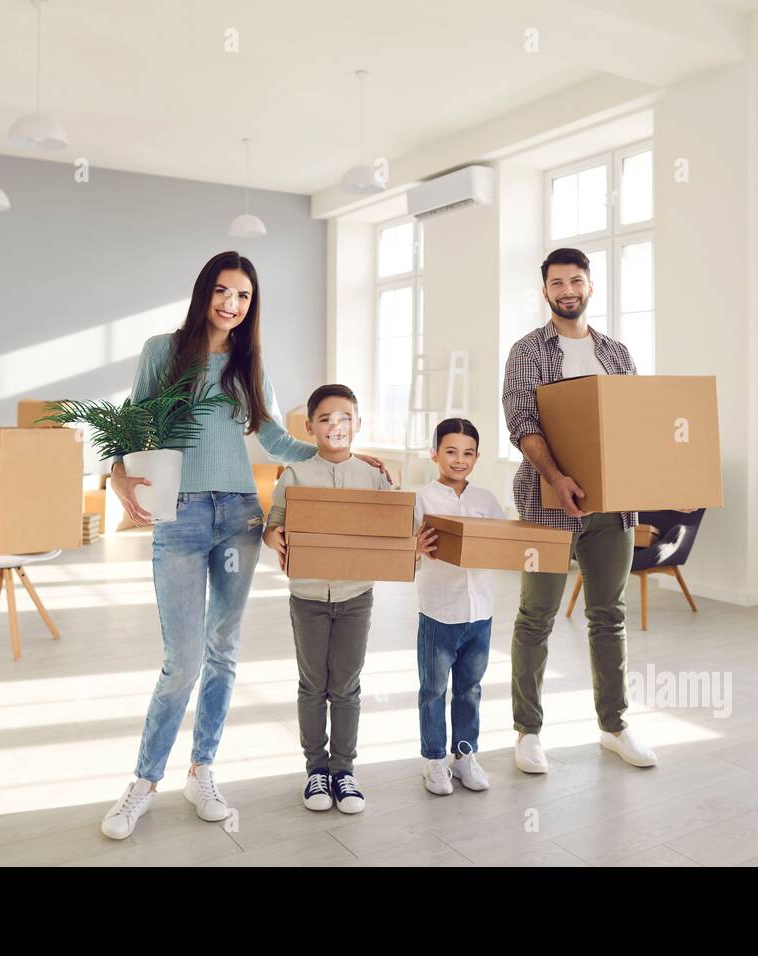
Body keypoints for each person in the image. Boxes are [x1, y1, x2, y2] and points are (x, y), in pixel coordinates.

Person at [100, 253, 388, 840]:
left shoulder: (249, 363)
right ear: (205, 290)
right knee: (181, 660)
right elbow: (131, 427)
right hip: (178, 516)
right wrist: (118, 473)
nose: (233, 305)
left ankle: (202, 769)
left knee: (222, 653)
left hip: (238, 516)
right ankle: (144, 782)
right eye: (224, 292)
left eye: (244, 297)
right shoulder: (163, 351)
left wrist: (342, 456)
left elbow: (277, 439)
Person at [501, 246, 667, 774]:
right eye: (557, 283)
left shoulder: (616, 354)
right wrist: (558, 478)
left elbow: (637, 427)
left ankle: (614, 726)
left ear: (590, 287)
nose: (567, 291)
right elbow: (522, 424)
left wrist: (667, 483)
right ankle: (528, 732)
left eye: (576, 281)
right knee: (536, 615)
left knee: (608, 616)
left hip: (611, 508)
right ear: (545, 290)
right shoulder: (527, 351)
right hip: (547, 503)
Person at [263, 384, 397, 815]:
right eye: (325, 420)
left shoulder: (374, 477)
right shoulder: (295, 476)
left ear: (359, 425)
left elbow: (395, 526)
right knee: (312, 685)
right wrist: (272, 535)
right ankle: (315, 770)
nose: (335, 427)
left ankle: (344, 771)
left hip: (356, 595)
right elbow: (274, 524)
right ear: (309, 428)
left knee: (346, 686)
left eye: (344, 419)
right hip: (306, 596)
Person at [412, 417, 503, 795]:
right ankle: (434, 761)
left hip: (479, 613)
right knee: (433, 689)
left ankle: (464, 756)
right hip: (438, 613)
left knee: (470, 688)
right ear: (435, 454)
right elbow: (407, 554)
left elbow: (502, 545)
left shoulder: (487, 501)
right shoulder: (421, 499)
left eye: (467, 453)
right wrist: (414, 547)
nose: (459, 459)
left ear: (477, 457)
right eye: (450, 451)